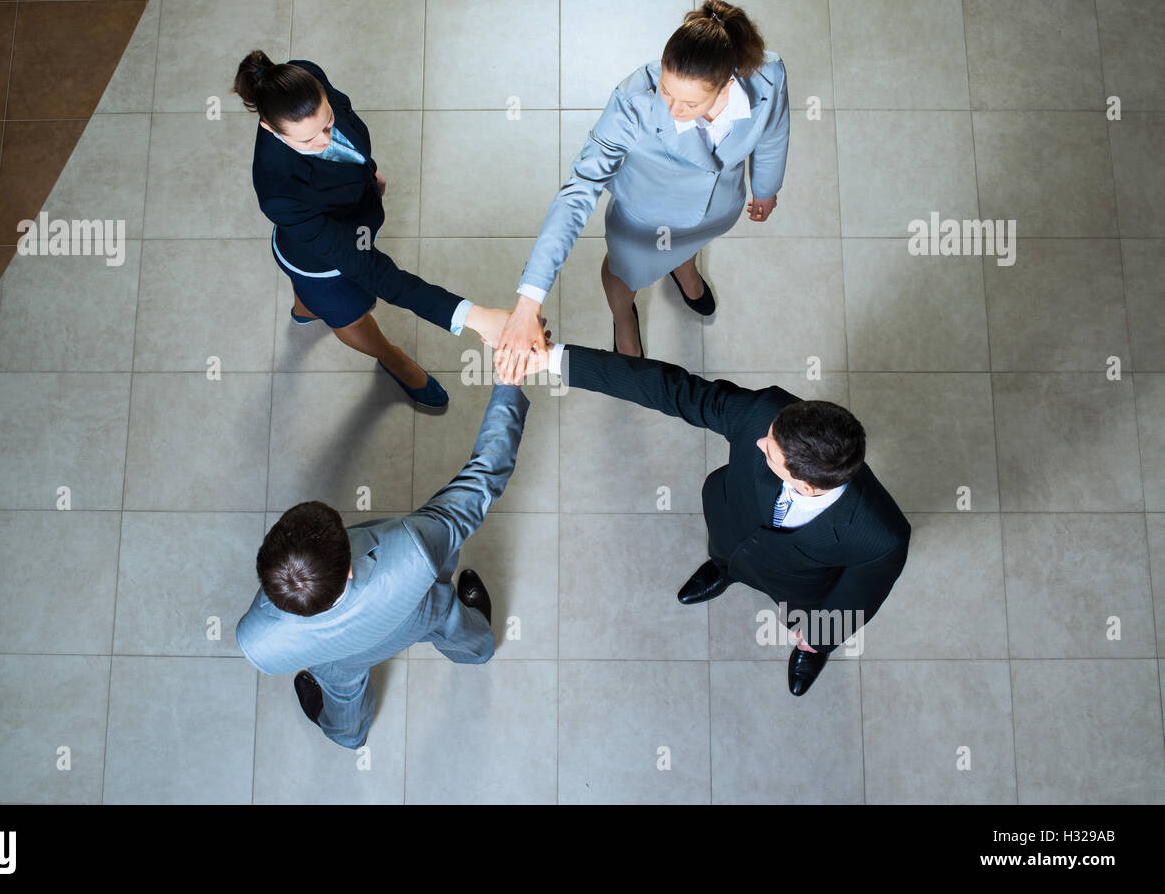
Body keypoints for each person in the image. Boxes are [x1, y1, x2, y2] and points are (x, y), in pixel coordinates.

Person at [522, 341, 911, 696]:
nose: (760, 441)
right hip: (731, 519)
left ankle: (809, 649)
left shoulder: (880, 536)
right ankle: (724, 568)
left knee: (806, 625)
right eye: (770, 435)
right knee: (725, 552)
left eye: (770, 452)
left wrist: (820, 637)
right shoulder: (764, 412)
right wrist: (553, 358)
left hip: (798, 584)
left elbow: (856, 598)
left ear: (806, 486)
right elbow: (670, 388)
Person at [234, 321, 548, 748]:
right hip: (419, 612)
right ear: (346, 571)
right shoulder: (413, 549)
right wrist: (509, 384)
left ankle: (348, 735)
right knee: (451, 621)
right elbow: (482, 479)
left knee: (343, 694)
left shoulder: (257, 641)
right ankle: (479, 652)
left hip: (338, 662)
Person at [494, 0, 789, 381]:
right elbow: (579, 190)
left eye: (688, 102)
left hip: (716, 208)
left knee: (688, 246)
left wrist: (766, 188)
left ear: (726, 84)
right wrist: (528, 301)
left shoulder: (768, 74)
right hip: (645, 218)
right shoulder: (632, 102)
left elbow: (773, 133)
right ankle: (624, 320)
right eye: (666, 91)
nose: (671, 109)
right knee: (624, 272)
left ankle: (684, 270)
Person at [233, 50, 510, 410]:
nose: (327, 141)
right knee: (352, 313)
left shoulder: (305, 74)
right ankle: (392, 358)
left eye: (328, 123)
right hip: (322, 262)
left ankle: (306, 308)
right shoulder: (277, 190)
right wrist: (473, 316)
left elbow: (345, 126)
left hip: (351, 221)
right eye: (309, 141)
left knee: (316, 301)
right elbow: (373, 271)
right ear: (270, 128)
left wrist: (366, 168)